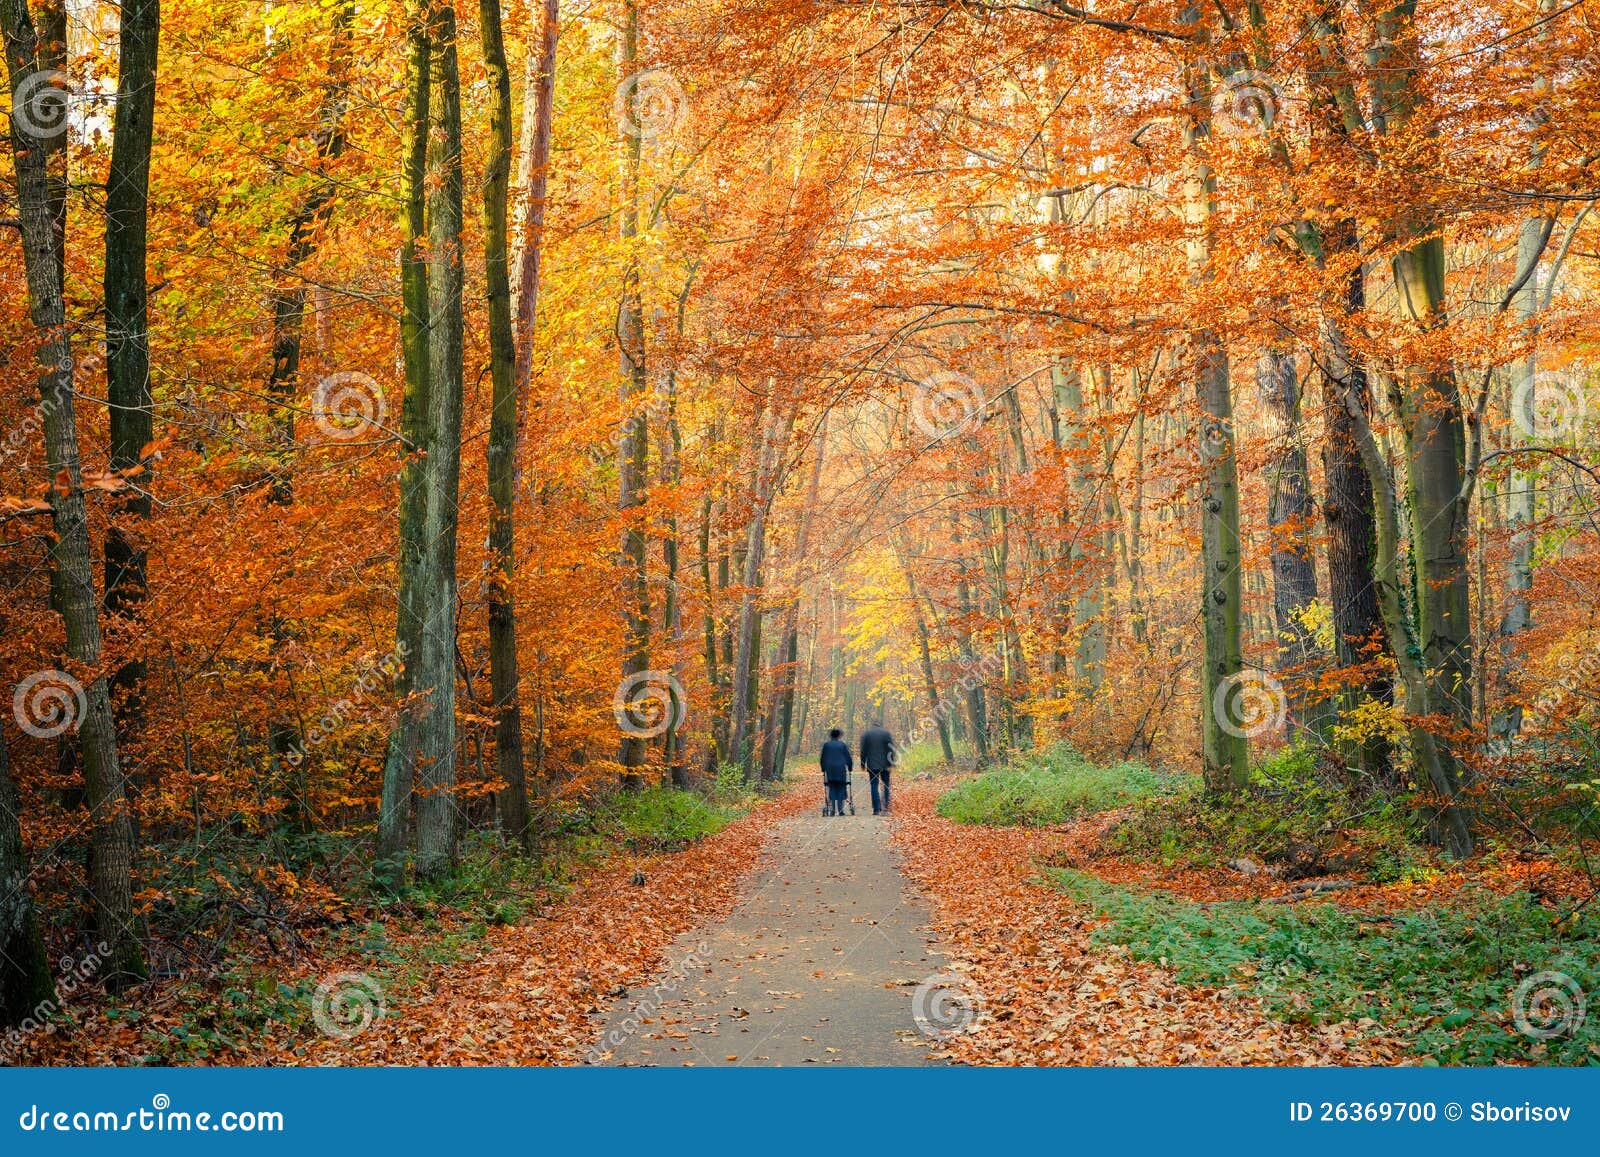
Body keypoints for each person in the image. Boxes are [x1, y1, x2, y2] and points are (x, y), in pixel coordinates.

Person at [858, 722, 897, 815]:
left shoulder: (867, 734)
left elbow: (863, 751)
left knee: (874, 785)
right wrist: (891, 763)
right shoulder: (886, 733)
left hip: (872, 765)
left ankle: (876, 809)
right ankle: (886, 807)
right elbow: (891, 749)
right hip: (885, 765)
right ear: (880, 725)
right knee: (886, 785)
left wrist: (863, 763)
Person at [819, 728, 852, 817]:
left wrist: (823, 769)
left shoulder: (826, 745)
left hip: (830, 769)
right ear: (838, 736)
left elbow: (823, 758)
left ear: (831, 735)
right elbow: (848, 757)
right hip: (841, 769)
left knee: (832, 787)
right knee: (841, 787)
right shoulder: (842, 745)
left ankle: (833, 810)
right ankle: (840, 810)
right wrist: (850, 767)